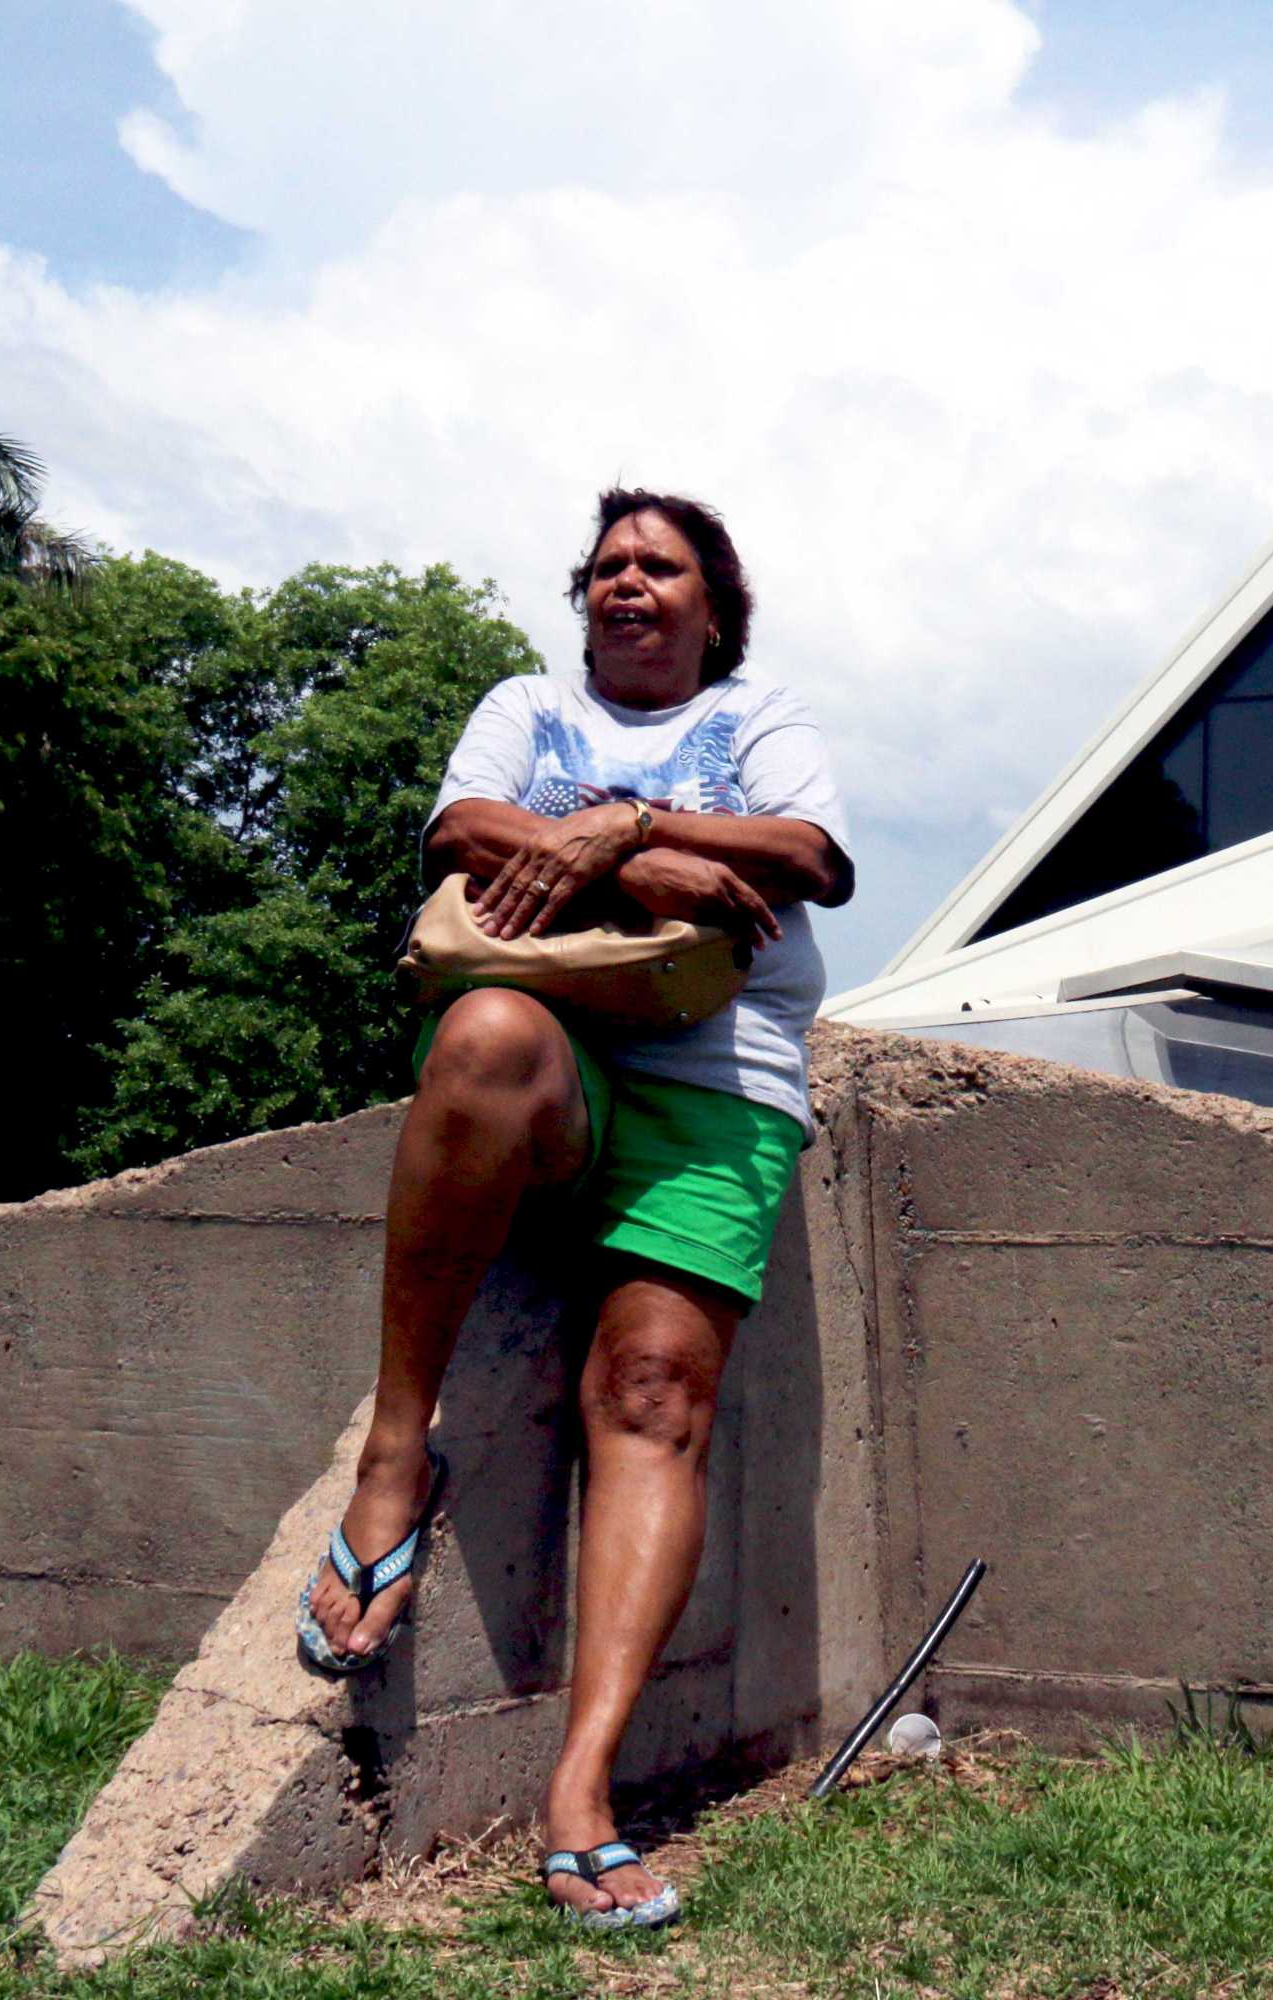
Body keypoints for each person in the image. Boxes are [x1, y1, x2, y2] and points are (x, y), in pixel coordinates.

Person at [296, 488, 852, 1929]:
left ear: (714, 610)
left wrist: (621, 825)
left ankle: (582, 1795)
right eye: (608, 566)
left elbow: (812, 857)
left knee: (654, 1390)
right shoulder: (528, 707)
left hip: (720, 1077)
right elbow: (459, 826)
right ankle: (395, 1455)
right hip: (554, 1051)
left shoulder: (761, 717)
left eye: (660, 566)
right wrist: (644, 860)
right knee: (483, 1035)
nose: (628, 583)